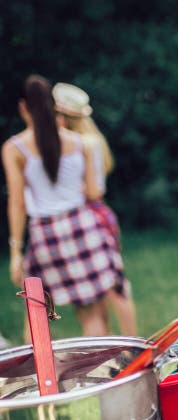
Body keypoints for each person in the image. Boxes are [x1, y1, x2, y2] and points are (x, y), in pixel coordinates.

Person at [2, 75, 129, 338]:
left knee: (36, 319)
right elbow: (94, 192)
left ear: (23, 107)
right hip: (82, 226)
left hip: (45, 233)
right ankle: (100, 376)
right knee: (92, 316)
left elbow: (17, 203)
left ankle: (42, 377)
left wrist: (15, 250)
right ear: (54, 106)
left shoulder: (14, 148)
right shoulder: (80, 142)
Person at [52, 82, 138, 336]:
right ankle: (112, 341)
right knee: (103, 287)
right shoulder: (91, 139)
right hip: (99, 214)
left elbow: (91, 189)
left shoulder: (80, 143)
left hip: (90, 216)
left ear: (64, 116)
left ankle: (130, 342)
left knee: (112, 285)